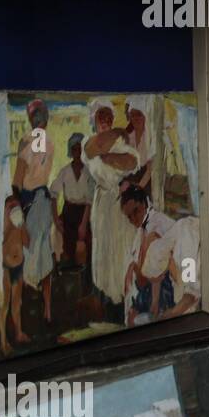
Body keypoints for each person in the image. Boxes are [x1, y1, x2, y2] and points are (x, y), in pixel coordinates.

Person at [84, 98, 140, 309]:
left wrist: (109, 156)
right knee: (105, 251)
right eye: (101, 119)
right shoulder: (87, 144)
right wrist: (113, 156)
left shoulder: (123, 144)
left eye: (109, 118)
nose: (105, 123)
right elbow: (100, 167)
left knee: (123, 248)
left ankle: (127, 297)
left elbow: (132, 161)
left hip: (121, 205)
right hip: (105, 205)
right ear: (95, 122)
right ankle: (108, 300)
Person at [13, 98, 55, 326]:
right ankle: (44, 308)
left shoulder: (29, 142)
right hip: (39, 203)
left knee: (32, 254)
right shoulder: (47, 142)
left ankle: (40, 307)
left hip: (34, 203)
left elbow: (18, 182)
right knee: (41, 255)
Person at [119, 184, 177, 326]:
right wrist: (131, 267)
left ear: (145, 203)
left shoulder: (155, 227)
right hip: (153, 283)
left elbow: (148, 276)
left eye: (136, 212)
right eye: (129, 217)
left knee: (136, 320)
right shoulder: (143, 227)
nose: (133, 219)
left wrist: (134, 268)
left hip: (168, 284)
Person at [51, 132, 95, 269]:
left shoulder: (89, 172)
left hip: (84, 213)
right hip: (68, 212)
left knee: (85, 245)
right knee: (62, 243)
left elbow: (89, 200)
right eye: (74, 149)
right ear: (70, 150)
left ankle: (85, 280)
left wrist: (83, 224)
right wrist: (55, 219)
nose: (77, 152)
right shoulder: (64, 171)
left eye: (80, 149)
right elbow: (53, 194)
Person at [1, 197, 30, 347]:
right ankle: (3, 341)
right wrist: (9, 222)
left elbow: (27, 242)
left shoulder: (20, 223)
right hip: (6, 266)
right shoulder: (3, 223)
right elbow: (2, 239)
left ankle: (18, 333)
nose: (14, 208)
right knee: (5, 304)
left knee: (16, 303)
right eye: (10, 206)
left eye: (16, 206)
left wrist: (22, 224)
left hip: (19, 265)